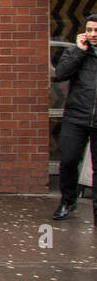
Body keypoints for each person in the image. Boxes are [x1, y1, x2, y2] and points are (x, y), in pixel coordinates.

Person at [51, 14, 97, 222]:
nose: (93, 34)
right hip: (76, 117)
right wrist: (79, 51)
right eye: (89, 30)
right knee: (68, 160)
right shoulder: (77, 52)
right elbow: (60, 74)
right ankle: (68, 202)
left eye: (96, 30)